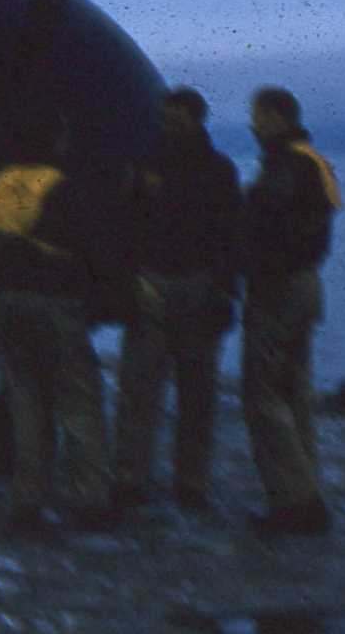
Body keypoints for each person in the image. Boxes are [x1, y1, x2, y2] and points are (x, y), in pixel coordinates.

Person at [110, 87, 241, 516]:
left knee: (197, 393)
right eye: (167, 117)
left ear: (198, 118)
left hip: (198, 285)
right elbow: (125, 228)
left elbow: (230, 235)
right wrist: (126, 284)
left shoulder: (218, 170)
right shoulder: (143, 166)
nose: (170, 125)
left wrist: (224, 291)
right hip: (152, 282)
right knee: (138, 389)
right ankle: (130, 478)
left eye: (178, 117)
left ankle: (191, 482)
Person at [0, 114, 116, 533]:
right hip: (56, 304)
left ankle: (27, 501)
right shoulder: (63, 188)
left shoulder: (5, 184)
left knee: (27, 406)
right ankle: (89, 499)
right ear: (55, 142)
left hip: (10, 302)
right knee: (78, 404)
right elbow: (92, 247)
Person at [240, 86, 342, 536]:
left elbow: (269, 224)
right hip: (304, 285)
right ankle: (305, 491)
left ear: (278, 117)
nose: (253, 125)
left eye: (259, 116)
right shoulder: (311, 161)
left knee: (264, 394)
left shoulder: (286, 166)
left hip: (278, 287)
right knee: (294, 392)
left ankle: (294, 502)